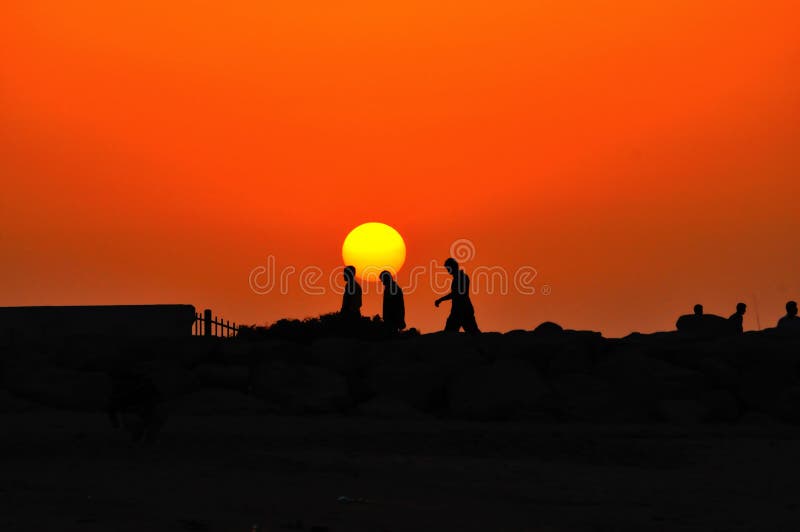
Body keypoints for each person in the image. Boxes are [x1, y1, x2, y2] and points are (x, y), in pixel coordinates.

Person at [434, 257, 480, 334]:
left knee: (450, 334)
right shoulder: (460, 278)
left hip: (461, 311)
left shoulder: (461, 278)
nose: (447, 270)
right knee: (473, 333)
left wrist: (441, 299)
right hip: (462, 310)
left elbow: (456, 294)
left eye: (448, 268)